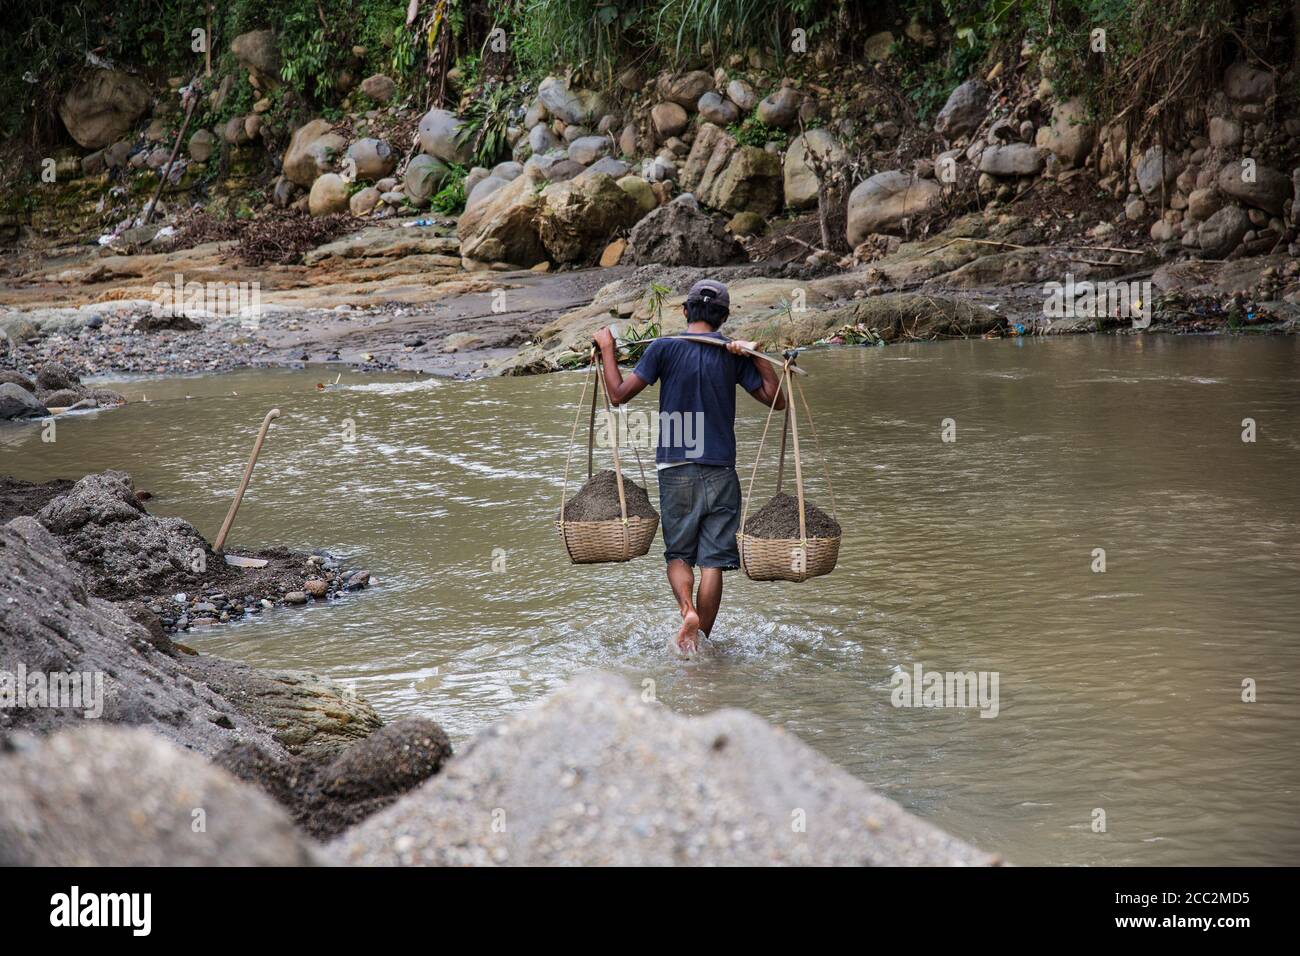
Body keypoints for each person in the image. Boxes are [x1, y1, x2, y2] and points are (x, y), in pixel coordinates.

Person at [592, 279, 785, 655]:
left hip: (675, 469)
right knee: (712, 564)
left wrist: (608, 349)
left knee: (679, 556)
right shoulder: (731, 354)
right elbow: (776, 400)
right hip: (721, 470)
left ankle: (687, 612)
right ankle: (698, 641)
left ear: (685, 312)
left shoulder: (663, 348)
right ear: (724, 317)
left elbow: (617, 395)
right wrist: (757, 355)